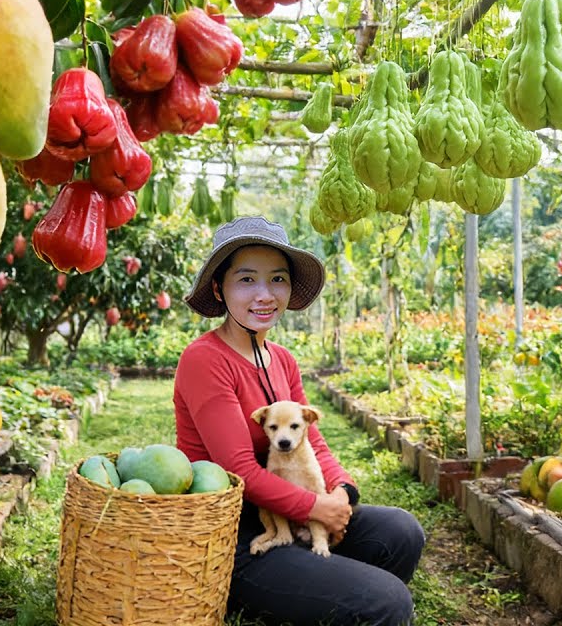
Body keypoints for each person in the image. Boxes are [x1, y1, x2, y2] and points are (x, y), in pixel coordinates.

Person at [174, 216, 425, 626]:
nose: (265, 295)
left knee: (402, 531)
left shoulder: (283, 360)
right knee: (388, 602)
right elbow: (238, 471)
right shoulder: (205, 359)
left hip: (295, 514)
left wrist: (341, 494)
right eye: (247, 280)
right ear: (219, 289)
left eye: (278, 279)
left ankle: (318, 586)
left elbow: (313, 443)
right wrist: (316, 507)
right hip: (238, 533)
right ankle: (270, 585)